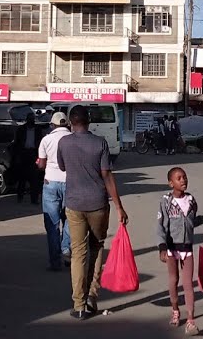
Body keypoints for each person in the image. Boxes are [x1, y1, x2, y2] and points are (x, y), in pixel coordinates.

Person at [57, 105, 129, 321]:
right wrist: (119, 207)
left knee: (78, 253)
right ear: (88, 121)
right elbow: (107, 176)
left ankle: (78, 305)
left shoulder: (64, 142)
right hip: (98, 203)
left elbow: (62, 167)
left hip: (74, 204)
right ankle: (91, 297)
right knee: (96, 247)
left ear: (70, 122)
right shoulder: (100, 143)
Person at [157, 167, 200, 336]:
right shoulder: (166, 201)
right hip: (171, 247)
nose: (183, 180)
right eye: (179, 178)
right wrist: (162, 246)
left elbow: (190, 223)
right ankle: (175, 310)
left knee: (188, 283)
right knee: (173, 280)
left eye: (185, 177)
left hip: (187, 247)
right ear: (171, 183)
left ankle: (190, 319)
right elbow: (161, 226)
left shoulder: (191, 201)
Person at [36, 111, 73, 271]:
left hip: (50, 182)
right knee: (70, 220)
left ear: (52, 124)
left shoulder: (46, 139)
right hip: (70, 183)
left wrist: (39, 163)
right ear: (67, 124)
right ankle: (66, 248)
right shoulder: (72, 139)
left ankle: (55, 261)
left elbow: (41, 165)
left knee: (52, 223)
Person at [11, 115, 41, 204]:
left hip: (34, 154)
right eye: (30, 120)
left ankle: (34, 199)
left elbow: (40, 141)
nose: (31, 121)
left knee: (34, 179)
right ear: (27, 120)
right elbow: (17, 143)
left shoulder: (37, 129)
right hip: (24, 154)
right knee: (22, 179)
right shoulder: (21, 129)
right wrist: (17, 156)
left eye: (32, 120)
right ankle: (20, 197)